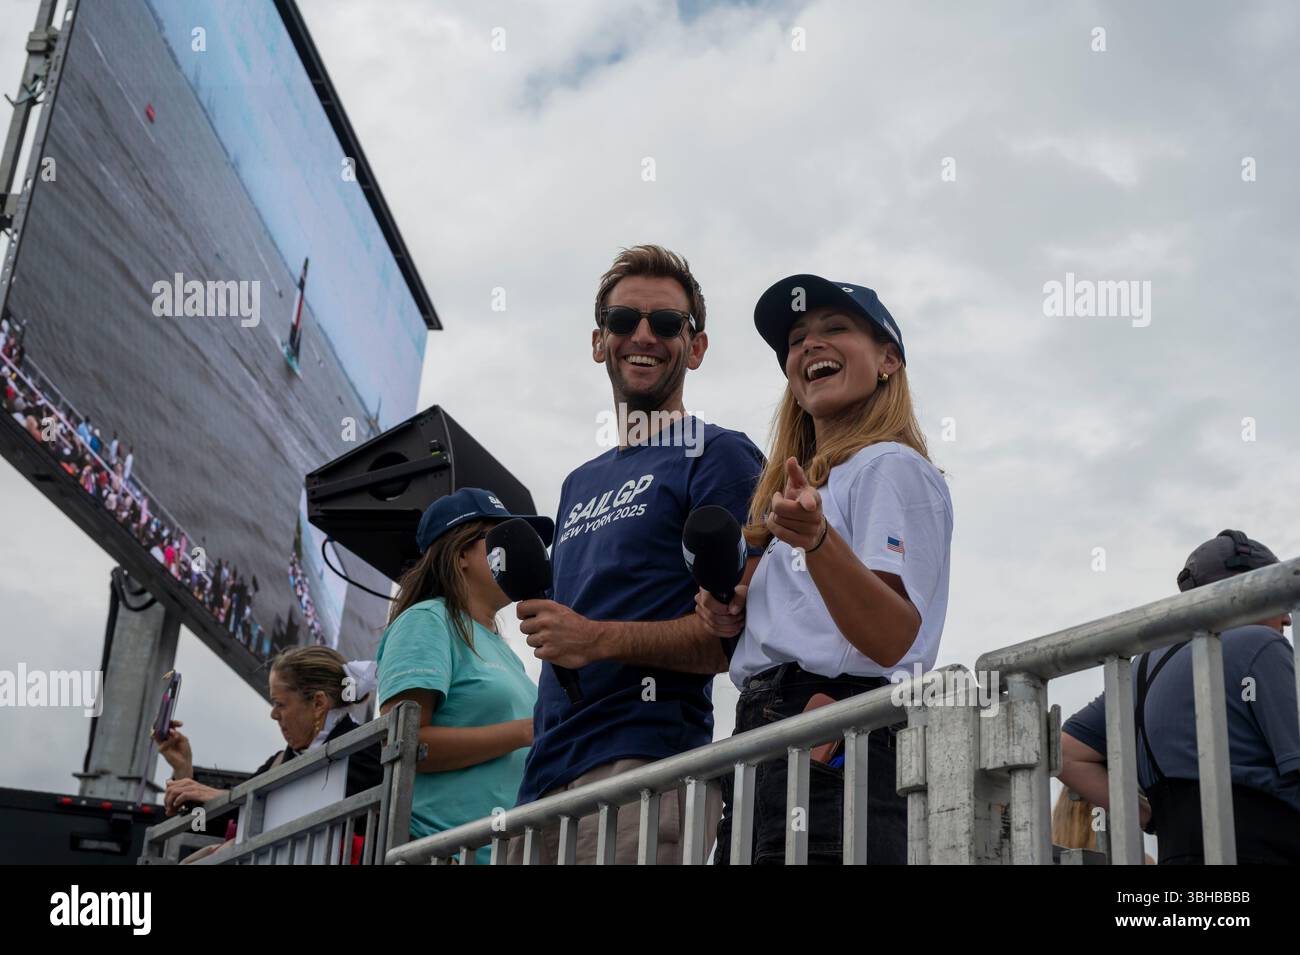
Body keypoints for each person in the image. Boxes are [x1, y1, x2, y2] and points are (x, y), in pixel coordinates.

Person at [509, 244, 765, 864]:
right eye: (625, 321)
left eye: (667, 323)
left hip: (646, 767)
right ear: (600, 341)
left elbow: (728, 640)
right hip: (543, 780)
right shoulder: (577, 483)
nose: (642, 336)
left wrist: (596, 639)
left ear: (696, 347)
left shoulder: (720, 455)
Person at [696, 274, 953, 864]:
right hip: (760, 738)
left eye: (835, 328)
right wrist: (729, 612)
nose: (809, 346)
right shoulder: (803, 491)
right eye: (796, 340)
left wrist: (817, 542)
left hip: (836, 732)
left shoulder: (889, 465)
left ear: (889, 358)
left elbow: (890, 637)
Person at [1059, 529, 1300, 864]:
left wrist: (1151, 817)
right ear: (1245, 591)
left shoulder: (1141, 666)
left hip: (1178, 851)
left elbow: (1067, 753)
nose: (1288, 617)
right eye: (1276, 596)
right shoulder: (1260, 643)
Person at [376, 487, 548, 865]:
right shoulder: (428, 620)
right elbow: (402, 745)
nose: (516, 550)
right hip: (437, 852)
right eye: (498, 538)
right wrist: (526, 731)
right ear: (460, 555)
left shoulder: (506, 652)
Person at [160, 646, 382, 863]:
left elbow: (306, 814)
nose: (273, 714)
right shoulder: (276, 764)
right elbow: (211, 824)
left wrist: (230, 799)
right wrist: (183, 772)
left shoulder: (366, 753)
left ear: (318, 703)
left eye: (280, 703)